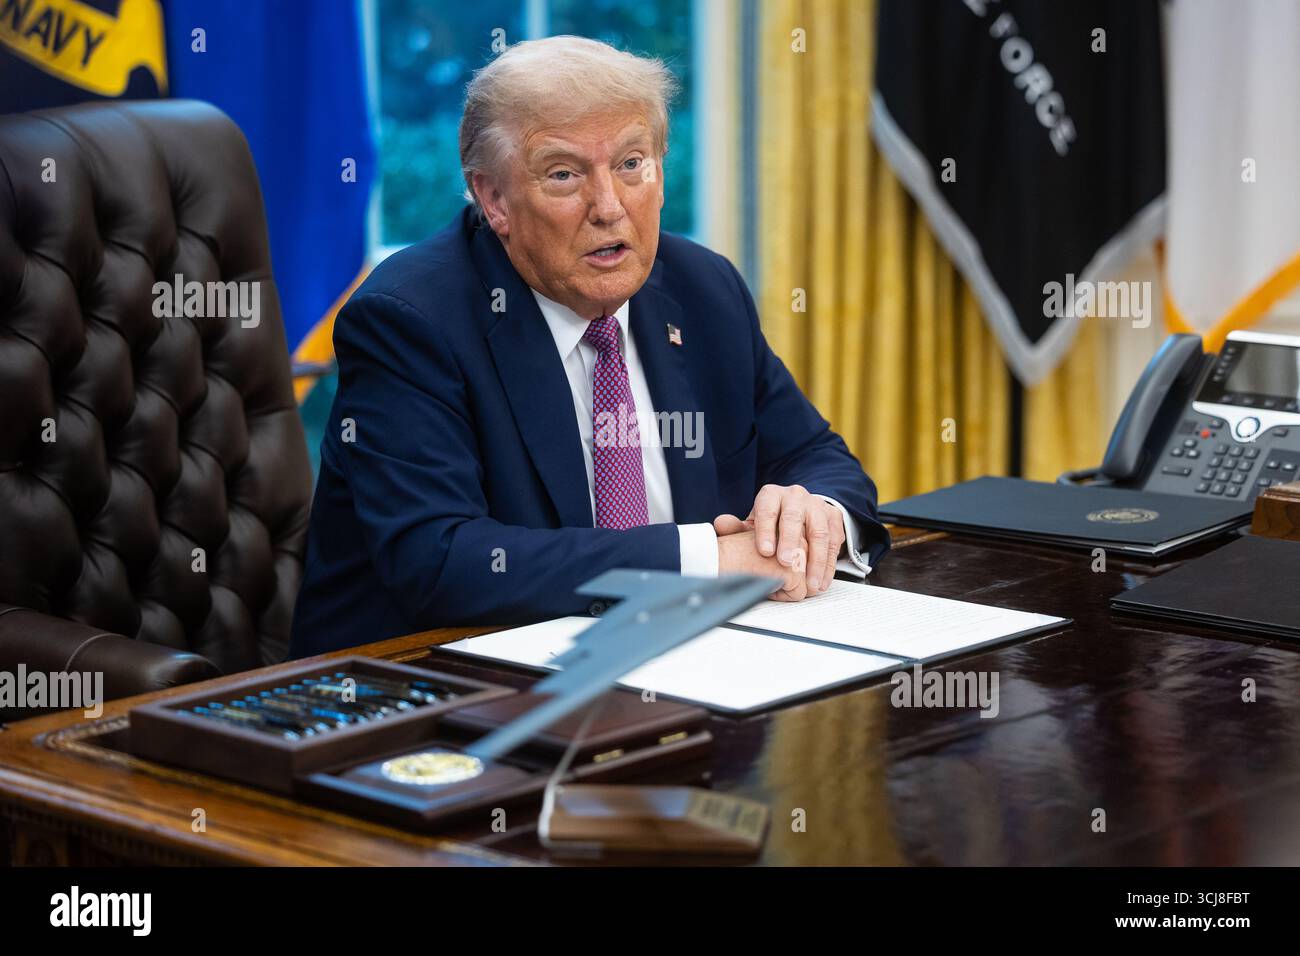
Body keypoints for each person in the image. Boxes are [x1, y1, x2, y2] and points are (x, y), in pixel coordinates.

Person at [290, 36, 889, 657]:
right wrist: (711, 558)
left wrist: (814, 515)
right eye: (564, 174)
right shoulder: (411, 320)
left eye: (632, 164)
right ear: (493, 198)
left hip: (685, 666)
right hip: (420, 700)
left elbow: (817, 455)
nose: (609, 208)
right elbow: (442, 561)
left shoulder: (704, 290)